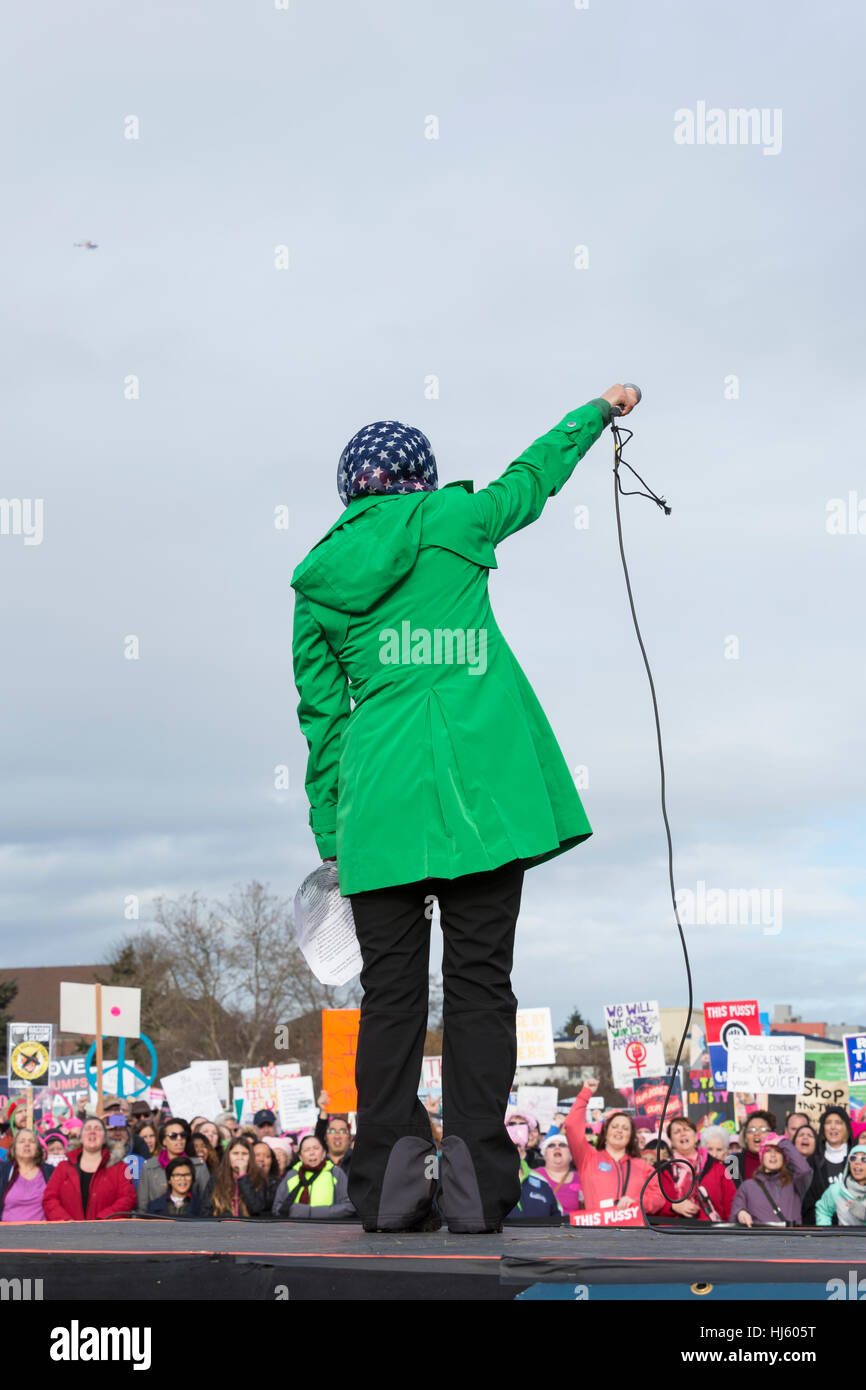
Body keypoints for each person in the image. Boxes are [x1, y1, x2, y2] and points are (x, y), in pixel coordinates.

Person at [291, 387, 639, 1233]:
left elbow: (323, 719)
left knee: (390, 1000)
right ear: (422, 475)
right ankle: (479, 1185)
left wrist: (332, 834)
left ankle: (385, 1185)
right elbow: (533, 477)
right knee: (482, 987)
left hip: (379, 811)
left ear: (349, 490)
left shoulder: (318, 580)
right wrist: (598, 410)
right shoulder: (459, 520)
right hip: (482, 801)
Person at [565, 1080, 665, 1217]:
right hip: (598, 1228)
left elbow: (658, 1198)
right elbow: (572, 1127)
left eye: (625, 1128)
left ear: (631, 1137)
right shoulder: (587, 1158)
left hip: (633, 1228)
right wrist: (585, 1094)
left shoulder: (643, 1166)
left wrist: (638, 1202)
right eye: (614, 1126)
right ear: (605, 1132)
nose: (619, 1130)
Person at [42, 1117, 137, 1221]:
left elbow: (128, 1199)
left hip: (108, 1229)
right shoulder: (63, 1167)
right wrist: (66, 1221)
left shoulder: (121, 1168)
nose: (92, 1132)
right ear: (81, 1137)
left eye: (97, 1129)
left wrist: (102, 1220)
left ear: (105, 1138)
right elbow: (49, 1200)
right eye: (88, 1128)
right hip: (67, 1230)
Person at [652, 1116, 735, 1223]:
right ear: (671, 1142)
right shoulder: (661, 1170)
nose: (683, 1134)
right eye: (677, 1132)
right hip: (672, 1230)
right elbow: (651, 1203)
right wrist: (672, 1206)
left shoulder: (717, 1168)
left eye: (686, 1129)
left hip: (711, 1230)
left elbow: (731, 1204)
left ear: (696, 1137)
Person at [730, 1133, 812, 1227]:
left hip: (790, 1235)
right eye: (768, 1151)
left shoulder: (795, 1183)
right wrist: (741, 1213)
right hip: (760, 1236)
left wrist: (783, 1143)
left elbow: (804, 1170)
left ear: (784, 1158)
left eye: (778, 1151)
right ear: (762, 1157)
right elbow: (735, 1213)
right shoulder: (748, 1186)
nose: (773, 1155)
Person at [272, 1134, 355, 1220]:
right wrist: (292, 1211)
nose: (312, 1153)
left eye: (316, 1148)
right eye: (307, 1150)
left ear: (323, 1153)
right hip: (294, 1227)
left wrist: (310, 1212)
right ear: (300, 1157)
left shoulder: (335, 1173)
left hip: (327, 1227)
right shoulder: (291, 1175)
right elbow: (276, 1208)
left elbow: (349, 1206)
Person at [136, 1119, 210, 1212]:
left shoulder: (199, 1166)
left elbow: (207, 1202)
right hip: (157, 1218)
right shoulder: (149, 1167)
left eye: (183, 1135)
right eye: (173, 1136)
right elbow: (142, 1206)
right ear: (164, 1141)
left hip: (191, 1218)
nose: (179, 1139)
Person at [803, 1106, 855, 1223]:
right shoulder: (812, 1162)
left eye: (838, 1123)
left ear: (846, 1128)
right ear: (823, 1128)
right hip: (822, 1228)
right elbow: (808, 1203)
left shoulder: (857, 1159)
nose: (833, 1127)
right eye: (828, 1123)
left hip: (855, 1228)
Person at [204, 1139, 270, 1217]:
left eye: (244, 1154)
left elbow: (256, 1208)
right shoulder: (216, 1179)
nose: (240, 1158)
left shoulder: (259, 1179)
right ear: (228, 1156)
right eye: (235, 1153)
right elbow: (206, 1210)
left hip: (248, 1224)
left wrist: (243, 1177)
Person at [0, 1129, 50, 1222]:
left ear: (38, 1148)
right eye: (22, 1141)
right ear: (14, 1148)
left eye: (32, 1141)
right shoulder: (3, 1171)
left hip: (43, 1230)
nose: (27, 1144)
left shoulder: (50, 1171)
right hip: (7, 1229)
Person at [815, 1145, 866, 1226]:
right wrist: (826, 1232)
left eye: (864, 1159)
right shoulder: (837, 1190)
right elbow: (823, 1210)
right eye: (853, 1158)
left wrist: (863, 1214)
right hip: (843, 1234)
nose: (857, 1162)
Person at [534, 1134, 582, 1214]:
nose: (557, 1147)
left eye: (562, 1145)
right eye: (551, 1145)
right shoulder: (533, 1175)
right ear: (545, 1155)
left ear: (571, 1155)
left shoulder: (582, 1179)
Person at [731, 1110, 778, 1187]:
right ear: (745, 1137)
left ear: (772, 1135)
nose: (756, 1133)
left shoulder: (781, 1161)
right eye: (751, 1130)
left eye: (763, 1130)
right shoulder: (733, 1162)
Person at [314, 1095, 353, 1175]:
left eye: (342, 1131)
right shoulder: (316, 1164)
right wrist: (323, 1110)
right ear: (325, 1137)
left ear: (350, 1138)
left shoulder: (359, 1163)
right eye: (332, 1131)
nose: (337, 1136)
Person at [252, 1141, 282, 1210]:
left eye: (267, 1156)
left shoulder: (279, 1184)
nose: (261, 1159)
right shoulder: (241, 1181)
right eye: (257, 1155)